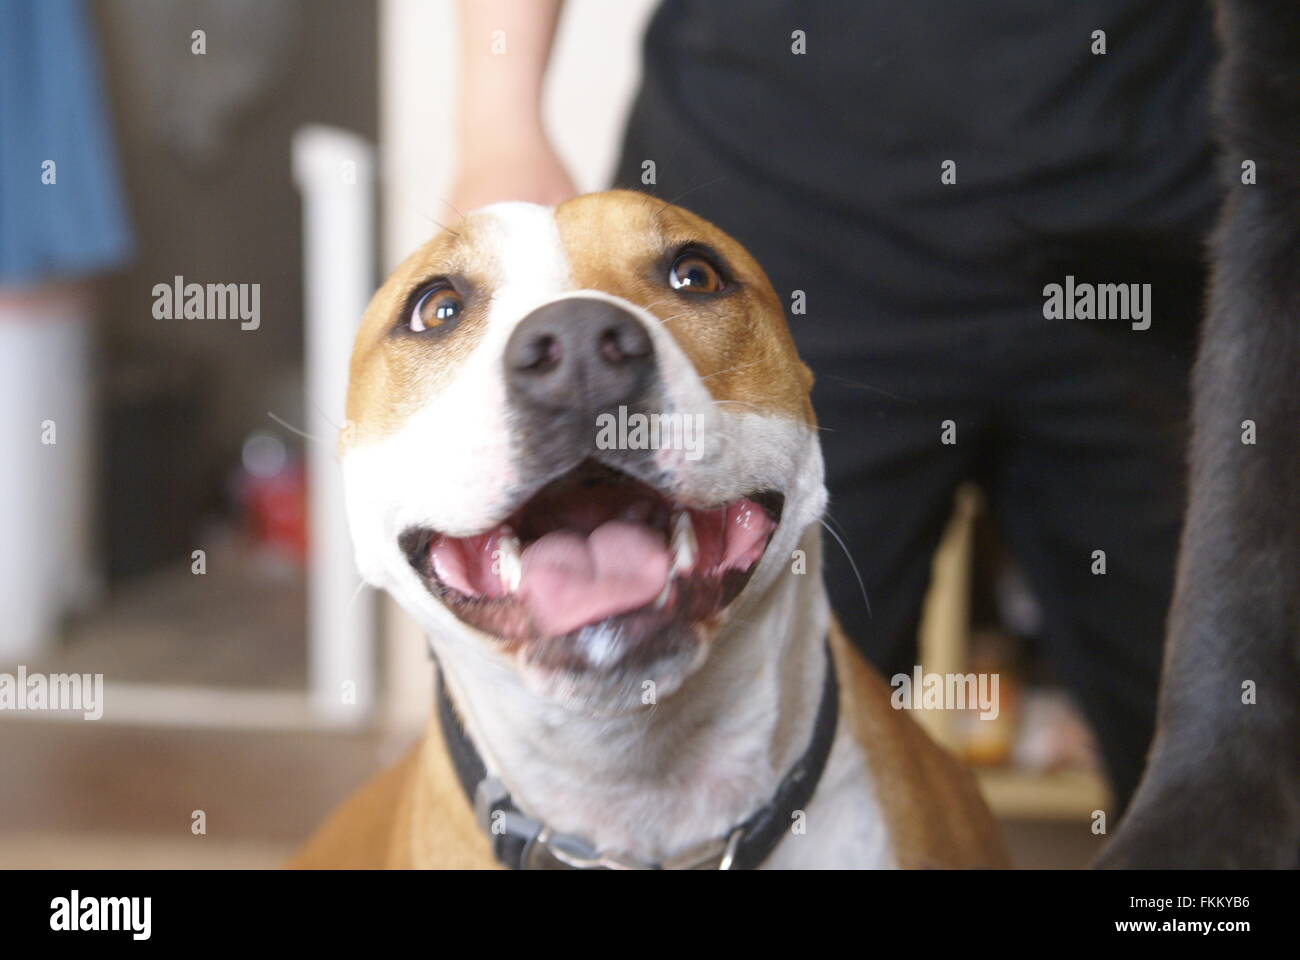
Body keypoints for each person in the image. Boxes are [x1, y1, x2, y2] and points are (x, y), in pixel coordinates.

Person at [448, 0, 1219, 813]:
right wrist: (502, 124)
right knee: (740, 777)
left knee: (1216, 750)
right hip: (774, 236)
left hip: (1147, 233)